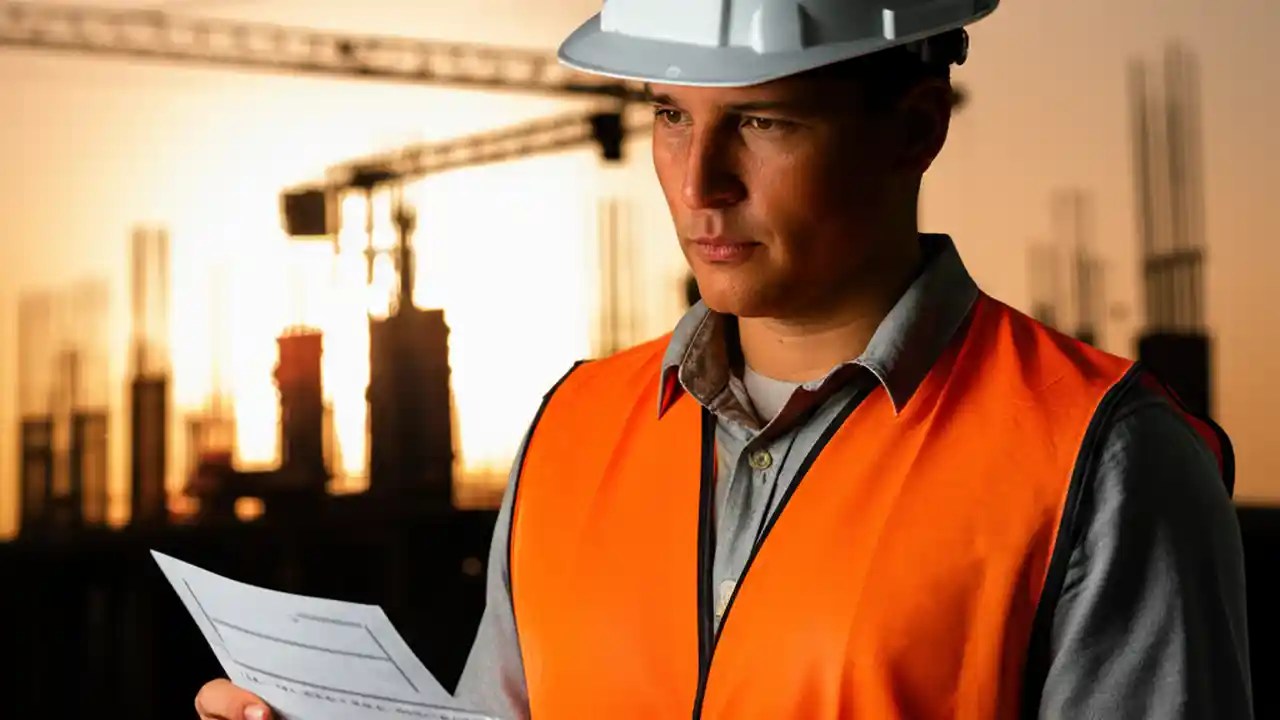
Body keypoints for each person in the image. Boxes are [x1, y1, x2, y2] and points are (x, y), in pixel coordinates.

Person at [196, 0, 1253, 718]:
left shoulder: (1098, 458)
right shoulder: (575, 430)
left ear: (914, 130)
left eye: (759, 120)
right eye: (667, 115)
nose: (698, 181)